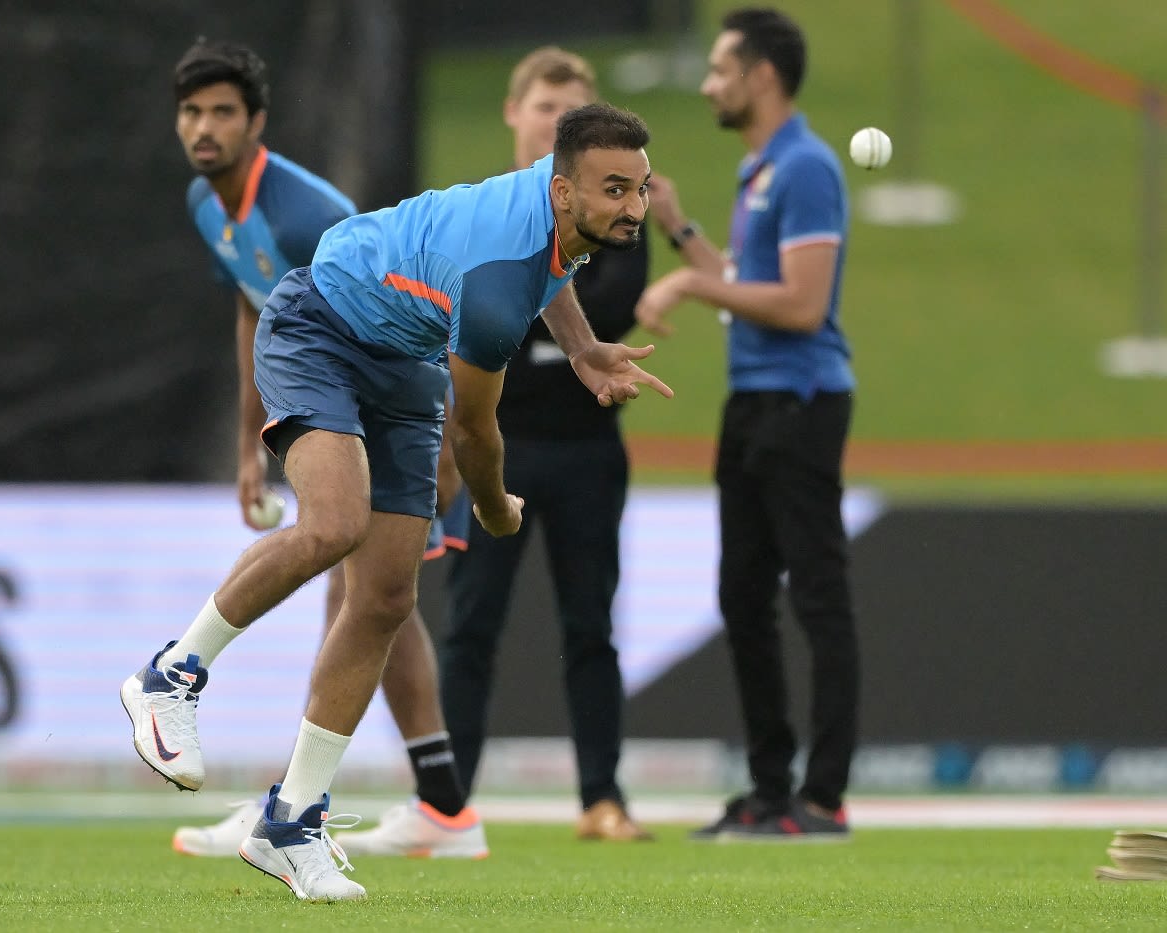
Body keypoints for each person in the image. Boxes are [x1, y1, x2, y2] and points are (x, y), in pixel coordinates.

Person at [125, 97, 670, 900]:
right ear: (563, 190)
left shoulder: (553, 209)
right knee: (335, 527)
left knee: (383, 596)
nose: (633, 207)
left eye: (641, 188)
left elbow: (549, 272)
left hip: (404, 358)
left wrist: (584, 349)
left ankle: (291, 820)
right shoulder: (492, 290)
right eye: (614, 190)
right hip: (320, 328)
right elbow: (479, 434)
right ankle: (172, 673)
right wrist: (493, 511)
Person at [126, 38, 484, 867]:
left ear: (258, 123)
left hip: (397, 403)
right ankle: (383, 805)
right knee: (368, 589)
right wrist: (252, 446)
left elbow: (411, 308)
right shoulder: (206, 202)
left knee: (374, 595)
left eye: (222, 111)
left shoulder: (302, 213)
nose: (204, 127)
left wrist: (445, 445)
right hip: (334, 406)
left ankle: (307, 803)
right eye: (191, 111)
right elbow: (258, 312)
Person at [635, 6, 857, 841]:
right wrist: (682, 233)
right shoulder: (762, 169)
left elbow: (800, 305)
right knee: (742, 596)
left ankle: (823, 796)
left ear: (760, 76)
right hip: (754, 401)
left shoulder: (805, 167)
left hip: (801, 399)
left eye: (720, 69)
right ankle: (771, 792)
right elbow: (749, 282)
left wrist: (688, 287)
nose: (707, 85)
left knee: (818, 598)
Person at [437, 46, 660, 843]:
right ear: (513, 112)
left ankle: (601, 797)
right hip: (491, 439)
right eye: (543, 107)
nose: (552, 122)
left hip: (587, 448)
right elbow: (484, 305)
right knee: (469, 627)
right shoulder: (489, 210)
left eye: (570, 112)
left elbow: (616, 300)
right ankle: (446, 801)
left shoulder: (618, 209)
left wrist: (535, 324)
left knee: (590, 626)